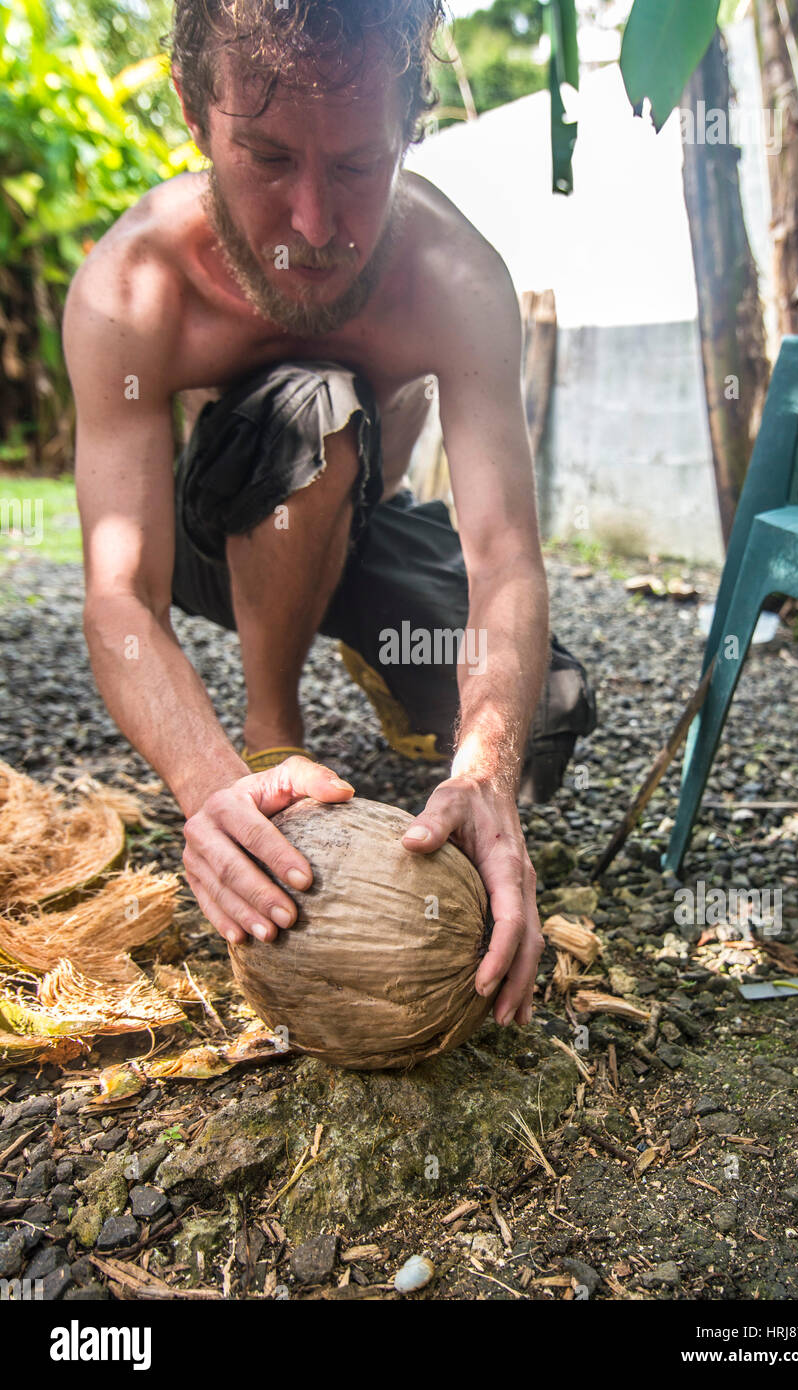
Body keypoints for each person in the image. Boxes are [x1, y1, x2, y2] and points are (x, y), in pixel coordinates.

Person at [62, 0, 595, 1032]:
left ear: (410, 126)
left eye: (356, 167)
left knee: (551, 707)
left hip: (371, 524)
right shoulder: (132, 288)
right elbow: (120, 592)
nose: (311, 225)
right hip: (222, 533)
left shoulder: (453, 276)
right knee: (314, 406)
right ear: (191, 108)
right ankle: (275, 727)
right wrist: (213, 786)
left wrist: (482, 772)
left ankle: (378, 664)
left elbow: (502, 558)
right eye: (265, 157)